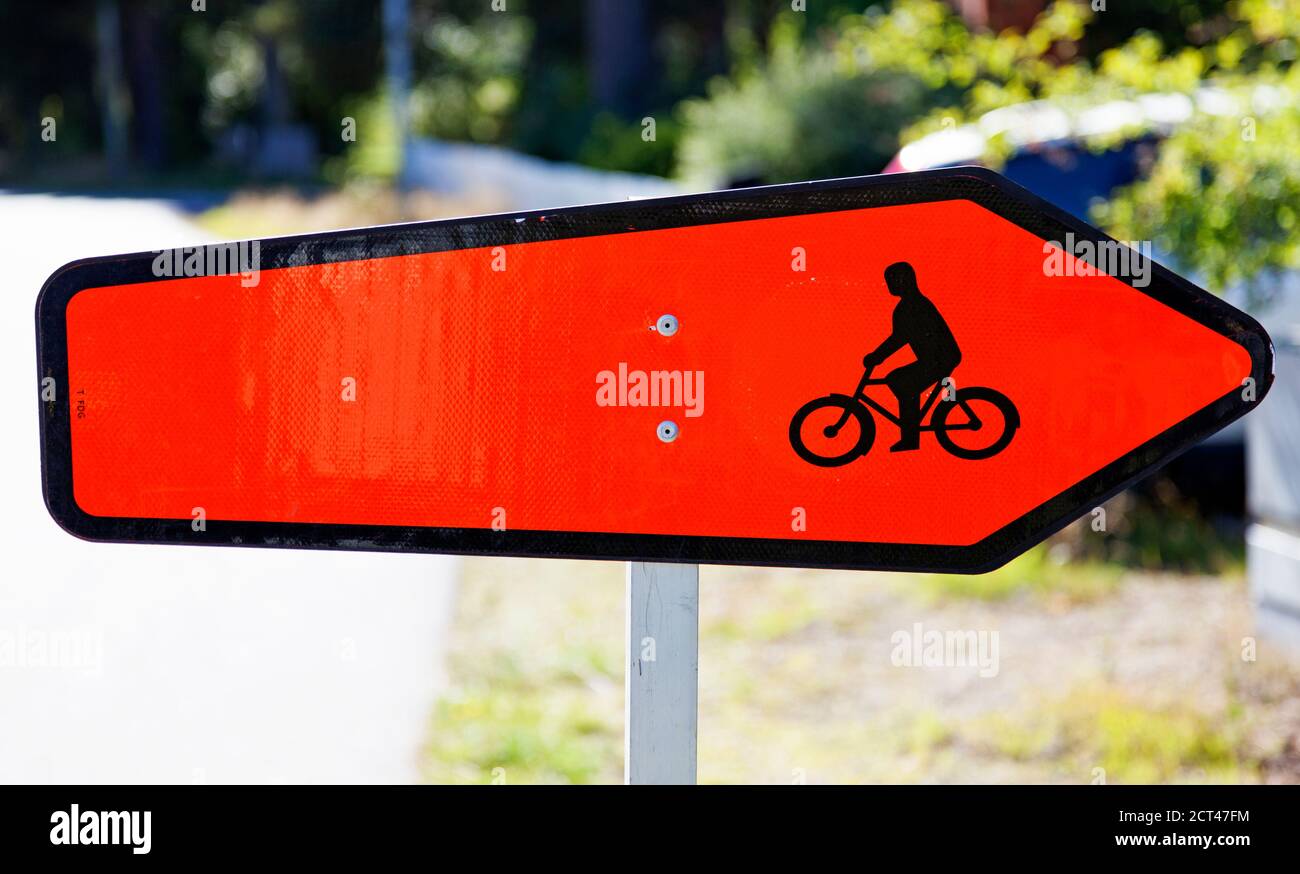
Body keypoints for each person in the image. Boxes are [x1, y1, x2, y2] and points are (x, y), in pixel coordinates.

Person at [862, 261, 962, 452]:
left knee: (902, 383)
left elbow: (900, 338)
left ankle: (910, 438)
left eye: (894, 280)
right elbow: (900, 337)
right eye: (888, 280)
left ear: (906, 280)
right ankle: (910, 430)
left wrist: (876, 356)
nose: (890, 285)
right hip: (934, 357)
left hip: (941, 358)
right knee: (896, 379)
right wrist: (877, 356)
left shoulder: (912, 305)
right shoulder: (908, 305)